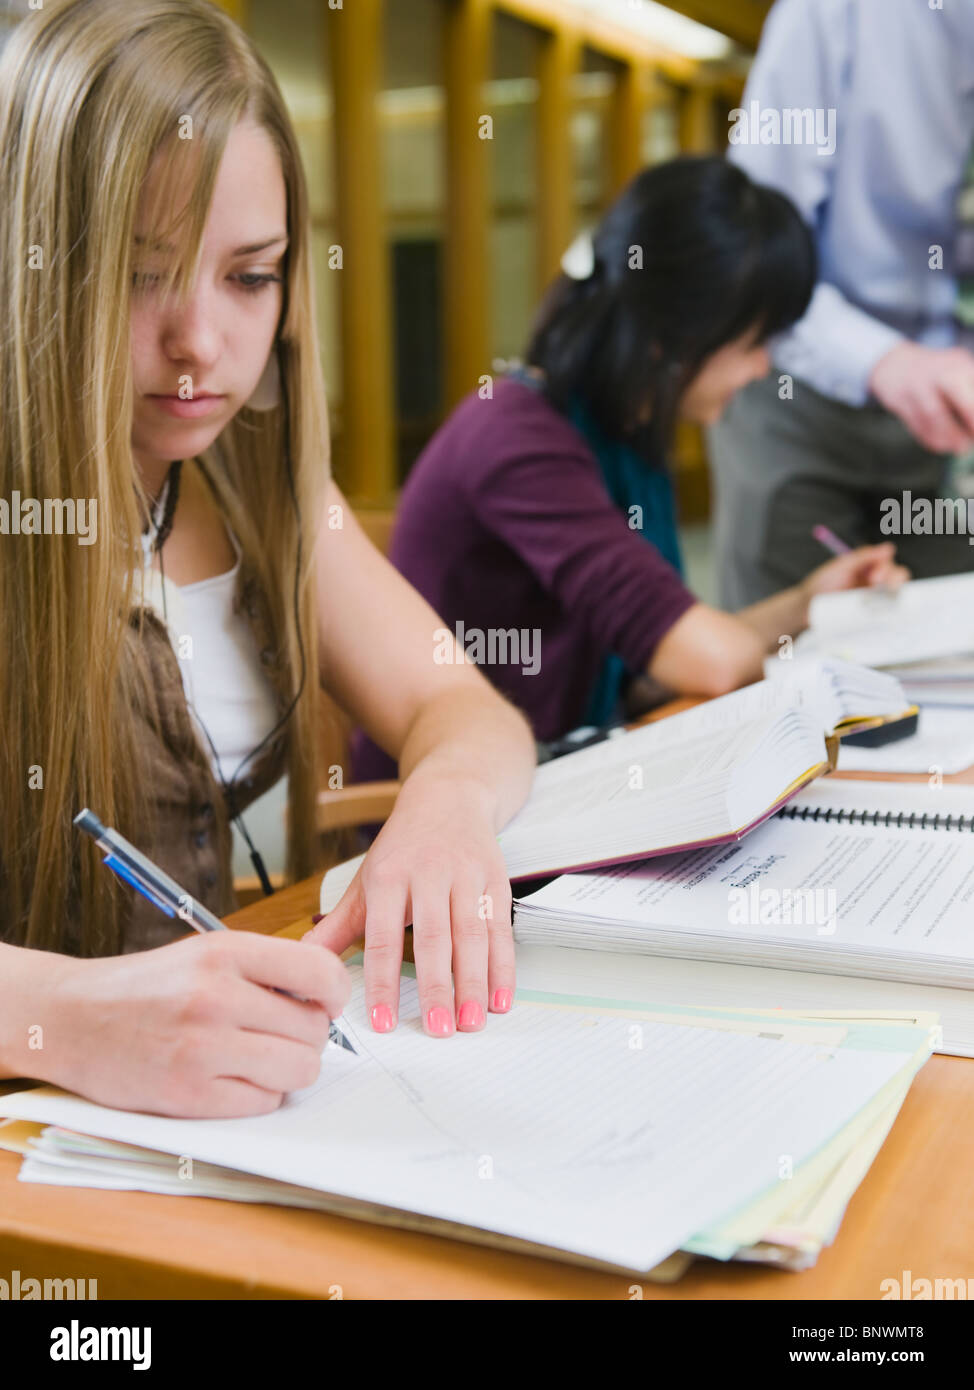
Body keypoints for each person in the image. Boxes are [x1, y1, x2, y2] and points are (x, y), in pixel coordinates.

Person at [0, 0, 536, 1118]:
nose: (201, 344)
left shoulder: (256, 475)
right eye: (141, 275)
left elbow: (460, 705)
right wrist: (63, 1009)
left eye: (249, 276)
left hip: (249, 1114)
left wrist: (445, 804)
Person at [352, 156, 906, 785]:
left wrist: (810, 603)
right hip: (445, 813)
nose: (760, 370)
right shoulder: (517, 438)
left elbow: (656, 663)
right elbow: (708, 661)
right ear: (674, 337)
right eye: (752, 342)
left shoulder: (623, 431)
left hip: (551, 776)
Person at [708, 0, 974, 609]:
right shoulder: (833, 16)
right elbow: (760, 256)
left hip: (952, 437)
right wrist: (887, 362)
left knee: (950, 650)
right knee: (794, 659)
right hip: (802, 386)